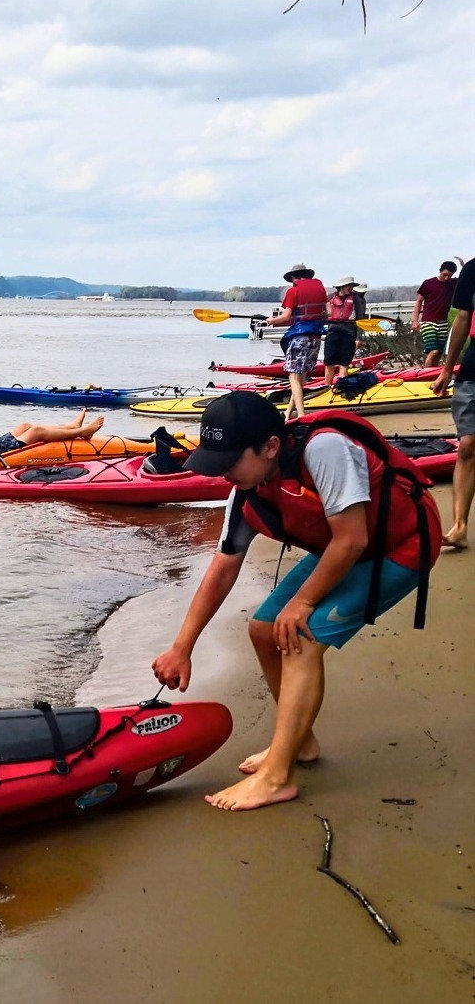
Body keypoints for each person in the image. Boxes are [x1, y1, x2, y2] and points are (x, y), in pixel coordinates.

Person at [150, 391, 441, 812]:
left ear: (270, 447)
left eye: (230, 461)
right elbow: (222, 567)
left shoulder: (325, 449)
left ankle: (277, 777)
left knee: (298, 635)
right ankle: (299, 743)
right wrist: (182, 647)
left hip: (401, 545)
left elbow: (353, 537)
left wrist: (303, 604)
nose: (223, 474)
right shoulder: (247, 489)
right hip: (348, 548)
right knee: (263, 628)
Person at [432, 257, 474, 548]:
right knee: (468, 444)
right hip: (473, 369)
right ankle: (459, 526)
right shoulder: (472, 269)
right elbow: (462, 318)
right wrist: (447, 369)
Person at [266, 263, 327, 419]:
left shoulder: (293, 291)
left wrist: (272, 320)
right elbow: (330, 312)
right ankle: (288, 413)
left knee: (293, 376)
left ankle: (301, 415)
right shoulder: (321, 289)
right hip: (315, 338)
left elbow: (286, 317)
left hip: (300, 339)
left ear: (293, 277)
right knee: (300, 378)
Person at [413, 260, 459, 369]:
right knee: (433, 351)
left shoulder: (453, 283)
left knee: (438, 353)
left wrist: (463, 265)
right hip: (428, 321)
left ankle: (432, 373)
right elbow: (419, 302)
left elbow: (468, 277)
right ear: (440, 271)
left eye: (450, 276)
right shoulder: (428, 283)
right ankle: (425, 375)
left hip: (442, 322)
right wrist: (415, 320)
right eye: (445, 275)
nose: (447, 278)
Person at [322, 276, 362, 387]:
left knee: (344, 363)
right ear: (341, 287)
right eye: (348, 286)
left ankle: (342, 386)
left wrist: (359, 337)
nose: (351, 288)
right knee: (329, 362)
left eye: (352, 286)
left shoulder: (356, 299)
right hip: (332, 332)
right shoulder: (330, 298)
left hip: (349, 333)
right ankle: (327, 386)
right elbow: (323, 313)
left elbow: (360, 319)